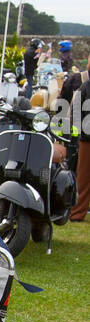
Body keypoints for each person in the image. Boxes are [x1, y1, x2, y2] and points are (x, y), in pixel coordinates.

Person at [60, 61, 90, 221]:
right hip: (86, 138)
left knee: (83, 178)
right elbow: (74, 111)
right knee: (83, 179)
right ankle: (77, 213)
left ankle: (78, 212)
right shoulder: (86, 86)